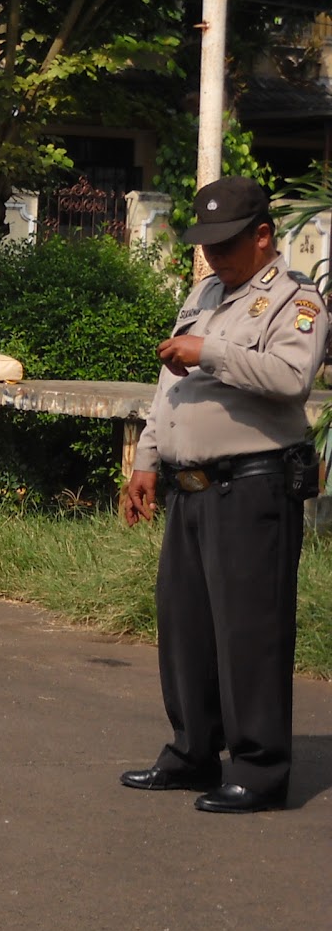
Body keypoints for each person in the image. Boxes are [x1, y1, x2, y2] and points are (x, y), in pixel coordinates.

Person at [122, 177, 329, 814]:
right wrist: (147, 458)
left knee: (250, 630)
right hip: (190, 486)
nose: (212, 256)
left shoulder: (299, 304)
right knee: (185, 626)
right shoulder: (206, 292)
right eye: (206, 244)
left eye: (226, 243)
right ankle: (192, 752)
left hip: (253, 485)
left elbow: (291, 378)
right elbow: (170, 385)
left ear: (263, 236)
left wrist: (210, 350)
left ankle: (260, 769)